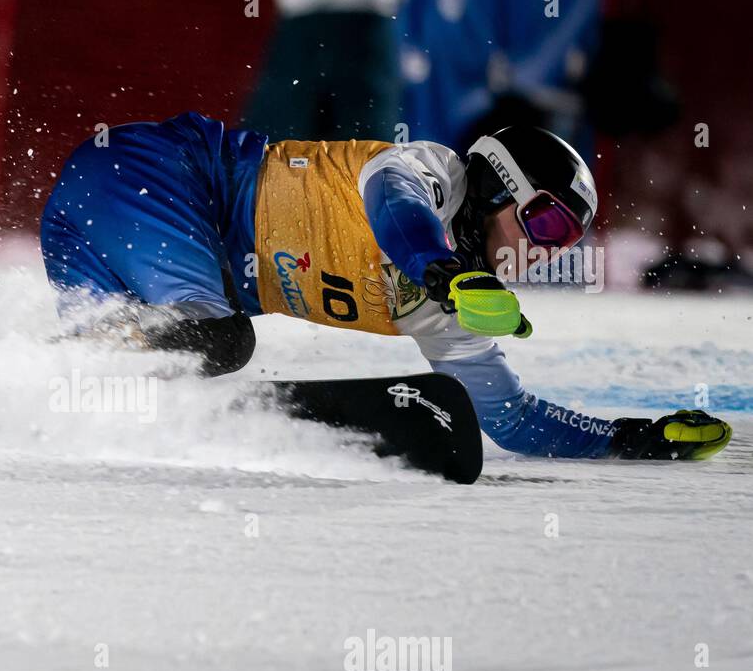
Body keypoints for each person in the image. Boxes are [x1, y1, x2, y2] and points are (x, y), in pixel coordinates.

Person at [39, 112, 731, 460]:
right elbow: (395, 206)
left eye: (567, 242)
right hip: (151, 172)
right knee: (217, 340)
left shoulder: (451, 303)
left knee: (121, 378)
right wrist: (442, 270)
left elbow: (509, 418)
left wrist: (632, 437)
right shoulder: (432, 172)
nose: (546, 252)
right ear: (498, 187)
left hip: (97, 227)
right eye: (545, 222)